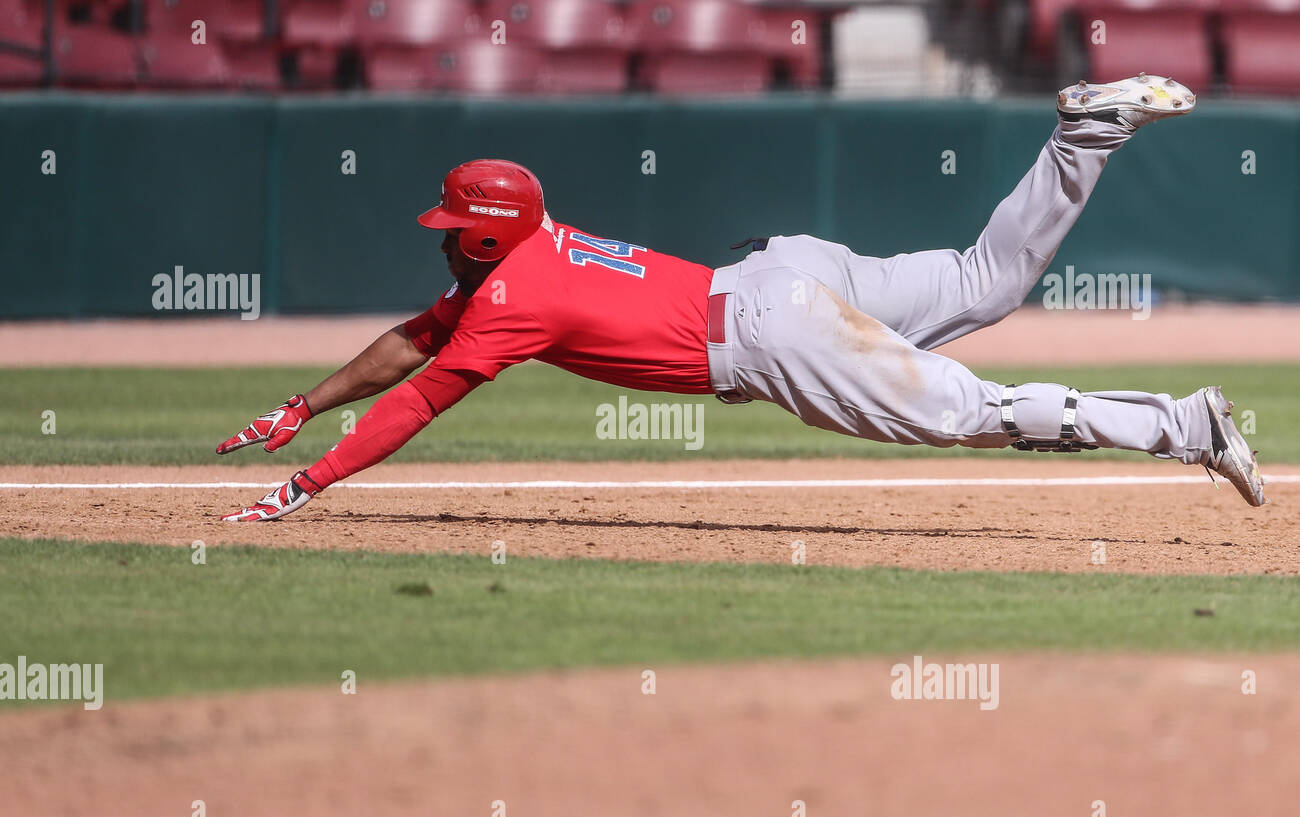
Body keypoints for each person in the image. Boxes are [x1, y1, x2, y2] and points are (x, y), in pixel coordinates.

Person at [217, 73, 1265, 521]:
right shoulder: (531, 255)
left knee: (967, 410)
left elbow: (420, 394)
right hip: (783, 271)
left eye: (453, 230)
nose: (444, 246)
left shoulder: (506, 298)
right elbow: (413, 342)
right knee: (988, 277)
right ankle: (1085, 133)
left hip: (768, 330)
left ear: (483, 235)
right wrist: (308, 403)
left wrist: (310, 480)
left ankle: (1184, 424)